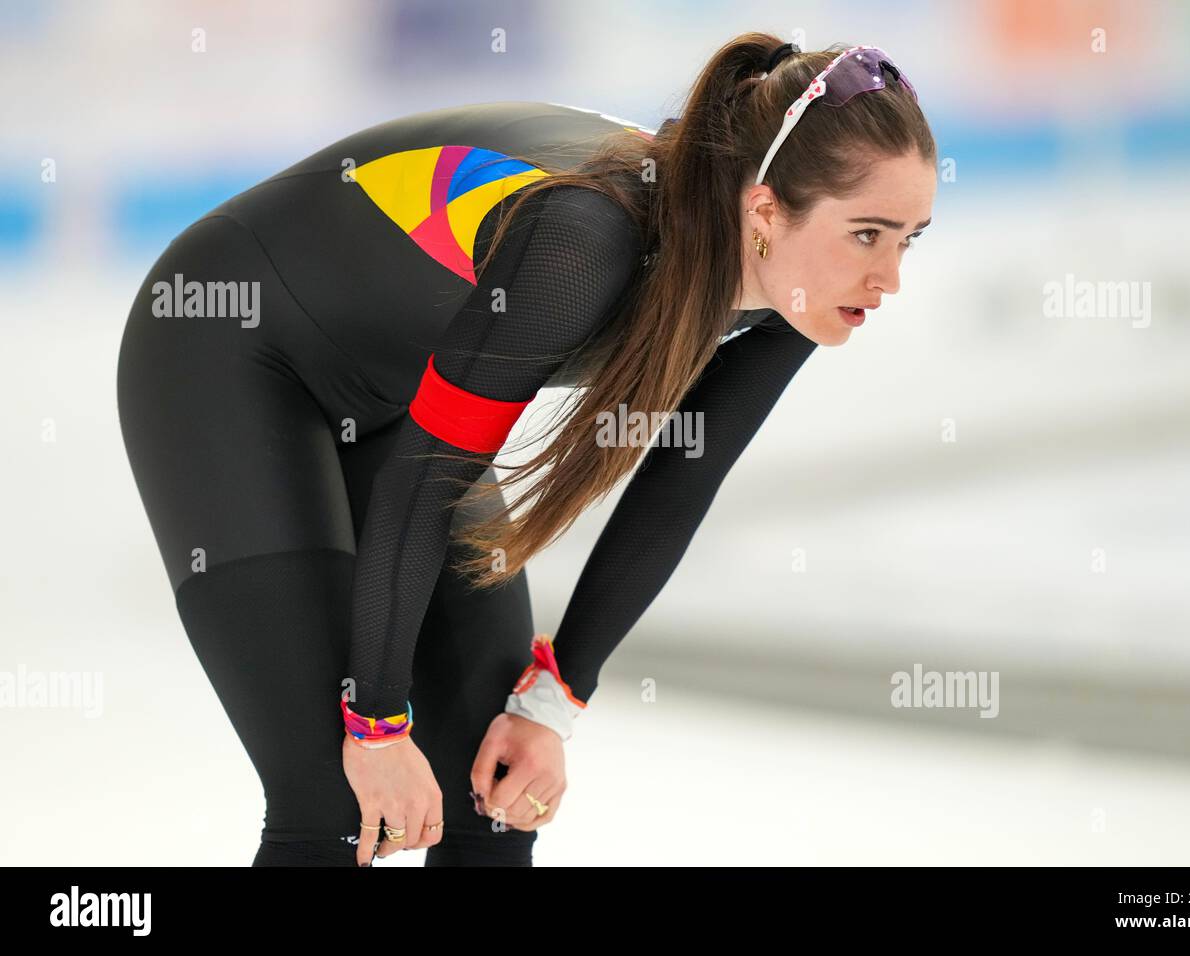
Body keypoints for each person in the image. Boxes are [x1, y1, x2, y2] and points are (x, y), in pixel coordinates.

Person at [115, 32, 937, 867]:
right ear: (766, 211)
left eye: (910, 238)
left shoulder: (793, 290)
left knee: (498, 798)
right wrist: (376, 723)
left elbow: (681, 481)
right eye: (868, 234)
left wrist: (552, 702)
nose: (891, 278)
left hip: (398, 407)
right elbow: (428, 483)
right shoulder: (585, 242)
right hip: (228, 349)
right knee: (333, 807)